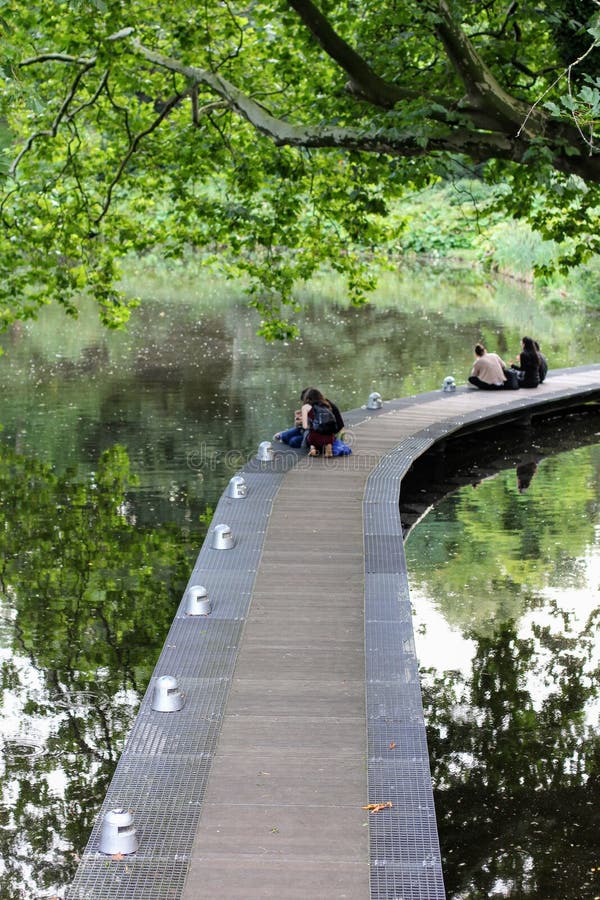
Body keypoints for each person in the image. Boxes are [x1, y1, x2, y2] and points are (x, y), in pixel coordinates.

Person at [301, 387, 337, 457]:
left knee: (308, 434)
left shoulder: (306, 407)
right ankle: (328, 446)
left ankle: (313, 448)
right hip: (329, 437)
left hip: (314, 438)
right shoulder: (326, 405)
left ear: (307, 397)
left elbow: (305, 426)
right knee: (327, 436)